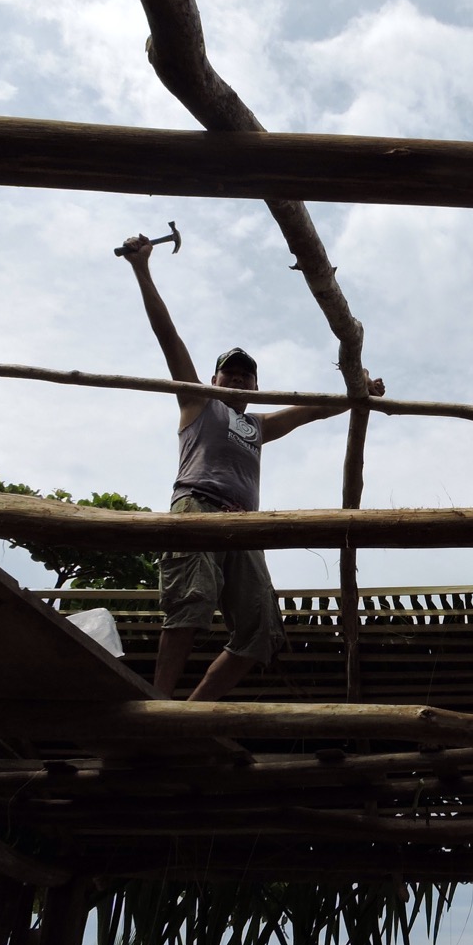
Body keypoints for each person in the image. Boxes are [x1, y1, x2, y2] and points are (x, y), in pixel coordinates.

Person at [122, 234, 384, 701]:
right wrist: (142, 269)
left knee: (262, 629)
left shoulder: (257, 425)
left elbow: (312, 411)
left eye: (247, 375)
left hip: (245, 524)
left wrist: (358, 391)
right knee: (192, 601)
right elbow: (169, 337)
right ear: (214, 379)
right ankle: (158, 707)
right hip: (198, 507)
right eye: (231, 372)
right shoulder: (199, 403)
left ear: (256, 386)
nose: (239, 378)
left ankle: (191, 713)